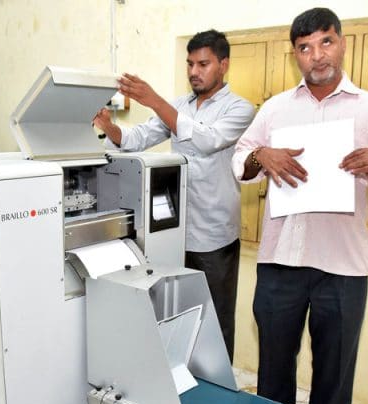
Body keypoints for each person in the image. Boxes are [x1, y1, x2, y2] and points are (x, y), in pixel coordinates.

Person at [231, 8, 368, 404]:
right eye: (305, 48)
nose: (317, 55)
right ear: (295, 54)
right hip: (280, 263)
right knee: (273, 368)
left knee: (334, 374)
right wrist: (261, 155)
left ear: (342, 42)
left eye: (326, 42)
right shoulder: (276, 110)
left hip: (342, 266)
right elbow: (239, 159)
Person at [93, 29, 255, 362]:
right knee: (176, 312)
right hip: (172, 231)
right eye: (190, 64)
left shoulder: (239, 109)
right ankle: (181, 377)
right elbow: (138, 138)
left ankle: (219, 389)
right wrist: (109, 127)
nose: (194, 71)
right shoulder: (179, 106)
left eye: (203, 64)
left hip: (214, 236)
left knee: (217, 319)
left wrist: (153, 99)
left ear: (223, 65)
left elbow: (207, 140)